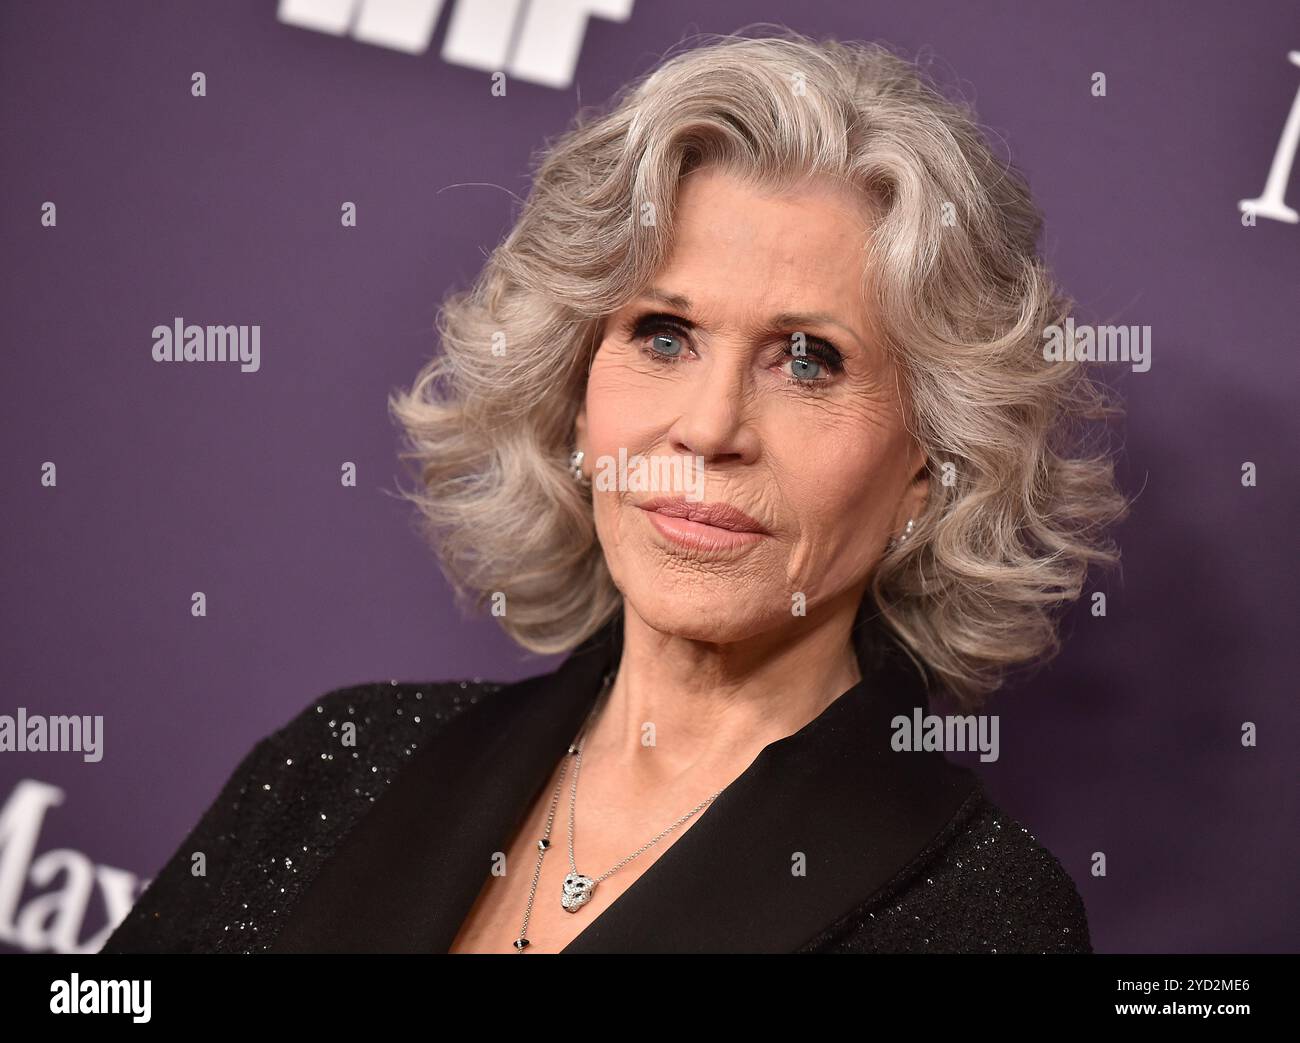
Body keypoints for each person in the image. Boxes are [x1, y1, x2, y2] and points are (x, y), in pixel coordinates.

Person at [100, 29, 1127, 955]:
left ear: (928, 464)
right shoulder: (344, 763)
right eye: (663, 335)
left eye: (808, 358)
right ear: (578, 400)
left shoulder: (977, 918)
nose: (711, 426)